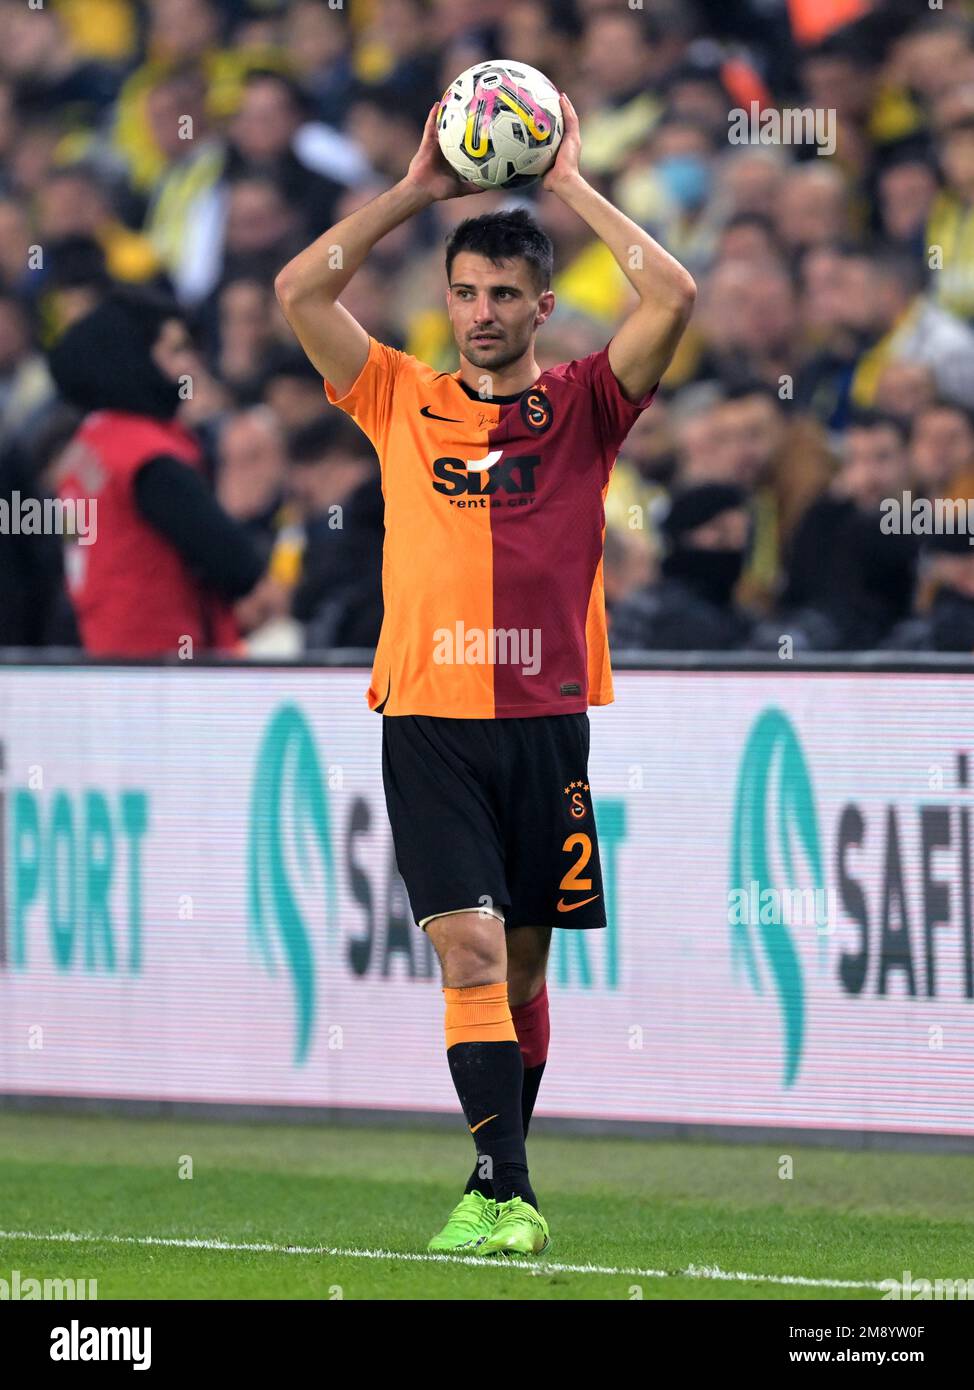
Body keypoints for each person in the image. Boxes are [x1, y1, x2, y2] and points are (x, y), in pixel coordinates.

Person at [275, 94, 695, 1257]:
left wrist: (564, 182)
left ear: (542, 307)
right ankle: (500, 1188)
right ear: (443, 297)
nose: (480, 313)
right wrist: (416, 187)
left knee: (517, 965)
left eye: (504, 294)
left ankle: (505, 1184)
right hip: (428, 719)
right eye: (463, 292)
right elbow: (298, 292)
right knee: (464, 947)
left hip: (547, 720)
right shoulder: (398, 397)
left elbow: (674, 296)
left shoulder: (587, 407)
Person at [47, 286, 263, 656]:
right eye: (175, 350)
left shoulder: (88, 444)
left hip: (106, 654)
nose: (190, 365)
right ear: (133, 358)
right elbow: (237, 564)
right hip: (164, 666)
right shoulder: (145, 454)